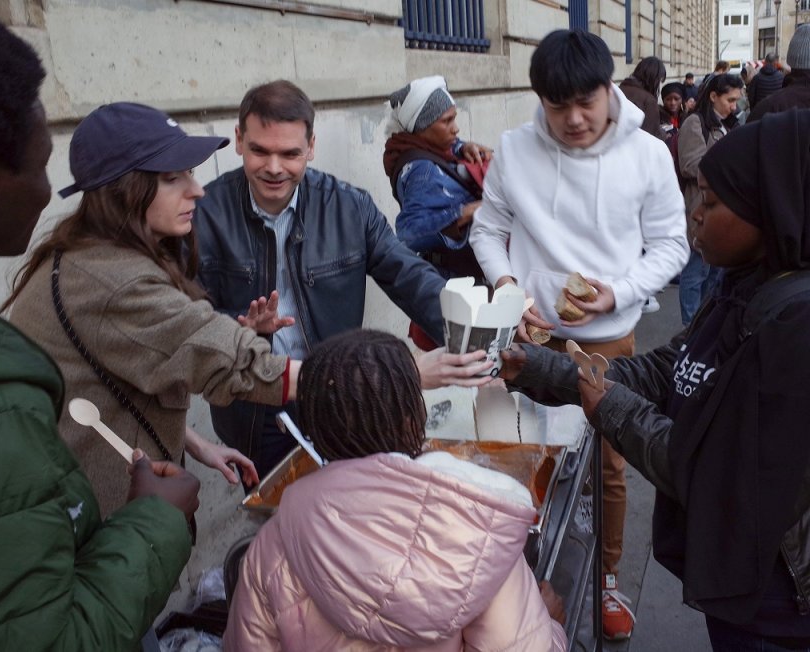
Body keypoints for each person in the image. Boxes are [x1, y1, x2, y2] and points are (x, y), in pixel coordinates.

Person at [501, 107, 810, 652]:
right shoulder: (748, 288)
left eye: (712, 200)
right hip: (732, 576)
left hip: (775, 594)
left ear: (769, 209)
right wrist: (545, 369)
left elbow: (719, 475)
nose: (694, 215)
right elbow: (668, 371)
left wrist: (607, 406)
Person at [0, 7, 200, 650]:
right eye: (41, 165)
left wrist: (195, 444)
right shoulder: (109, 277)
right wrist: (153, 524)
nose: (47, 190)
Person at [469, 29, 689, 641]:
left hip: (608, 341)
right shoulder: (516, 150)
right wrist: (511, 289)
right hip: (530, 336)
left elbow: (673, 243)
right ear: (539, 99)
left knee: (608, 466)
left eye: (585, 102)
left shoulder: (646, 153)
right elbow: (487, 231)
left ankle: (609, 577)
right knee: (518, 451)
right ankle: (512, 576)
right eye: (556, 105)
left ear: (608, 90)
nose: (572, 119)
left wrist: (617, 294)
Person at [4, 102, 293, 517]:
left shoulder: (94, 252)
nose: (197, 190)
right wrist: (379, 375)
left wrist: (193, 443)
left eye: (190, 173)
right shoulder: (114, 281)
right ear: (123, 189)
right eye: (172, 178)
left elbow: (121, 373)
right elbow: (234, 363)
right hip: (103, 525)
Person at [225, 329, 568, 651]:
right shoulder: (479, 528)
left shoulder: (269, 548)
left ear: (315, 430)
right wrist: (550, 627)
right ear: (414, 419)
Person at [193, 80, 451, 479]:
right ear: (239, 140)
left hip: (340, 396)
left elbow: (410, 276)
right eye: (260, 150)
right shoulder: (202, 215)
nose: (274, 168)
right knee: (279, 523)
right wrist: (241, 329)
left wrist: (477, 329)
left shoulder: (349, 206)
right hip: (254, 412)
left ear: (311, 146)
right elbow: (186, 322)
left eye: (290, 153)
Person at [383, 75, 492, 283]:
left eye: (454, 118)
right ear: (422, 126)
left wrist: (464, 147)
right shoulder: (420, 170)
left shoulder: (433, 148)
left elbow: (452, 147)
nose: (456, 128)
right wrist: (468, 211)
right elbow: (408, 233)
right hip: (454, 282)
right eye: (447, 121)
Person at [678, 74, 745, 325]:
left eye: (736, 101)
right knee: (696, 272)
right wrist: (729, 170)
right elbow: (690, 164)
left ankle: (705, 324)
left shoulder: (728, 123)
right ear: (713, 96)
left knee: (716, 273)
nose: (734, 106)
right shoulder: (695, 123)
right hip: (701, 207)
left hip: (725, 210)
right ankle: (690, 327)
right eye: (730, 100)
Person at [619, 56, 667, 138]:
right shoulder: (648, 101)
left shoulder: (620, 90)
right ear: (654, 79)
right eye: (659, 81)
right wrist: (663, 133)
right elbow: (651, 136)